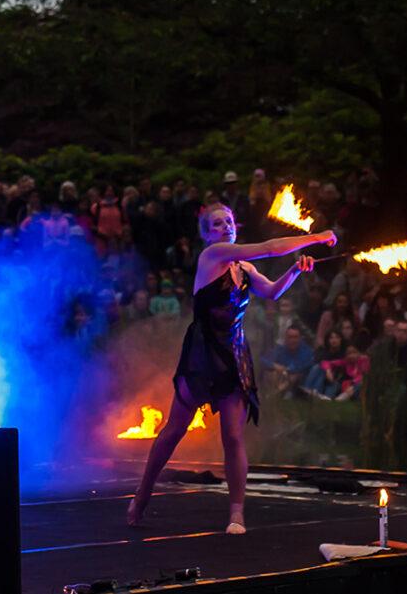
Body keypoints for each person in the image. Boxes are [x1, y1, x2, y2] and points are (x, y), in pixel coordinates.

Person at [126, 203, 335, 533]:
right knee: (174, 430)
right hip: (202, 352)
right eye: (217, 224)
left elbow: (271, 290)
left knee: (233, 435)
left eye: (228, 221)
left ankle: (236, 513)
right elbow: (269, 248)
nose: (225, 226)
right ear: (208, 234)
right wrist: (316, 237)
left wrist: (295, 270)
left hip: (234, 353)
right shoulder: (213, 256)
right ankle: (142, 494)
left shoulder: (245, 268)